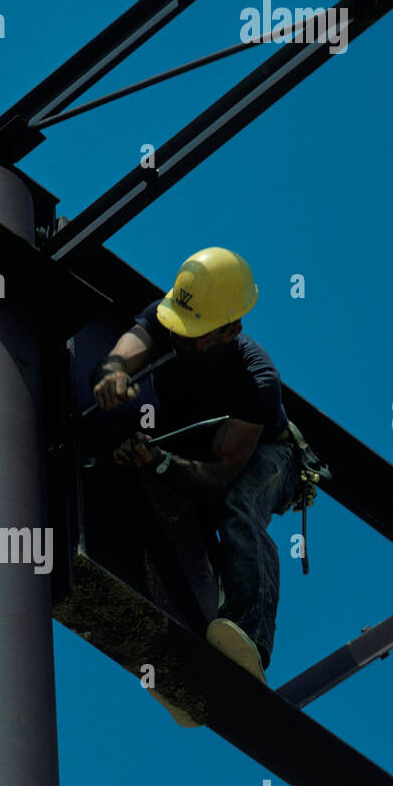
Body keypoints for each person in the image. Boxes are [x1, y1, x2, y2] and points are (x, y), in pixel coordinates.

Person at [89, 246, 300, 724]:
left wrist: (161, 461)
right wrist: (112, 375)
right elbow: (120, 356)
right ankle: (188, 646)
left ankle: (251, 642)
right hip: (198, 453)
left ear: (231, 330)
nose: (181, 341)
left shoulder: (256, 380)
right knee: (174, 521)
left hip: (267, 456)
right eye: (178, 330)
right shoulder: (173, 317)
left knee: (239, 508)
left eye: (196, 336)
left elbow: (223, 478)